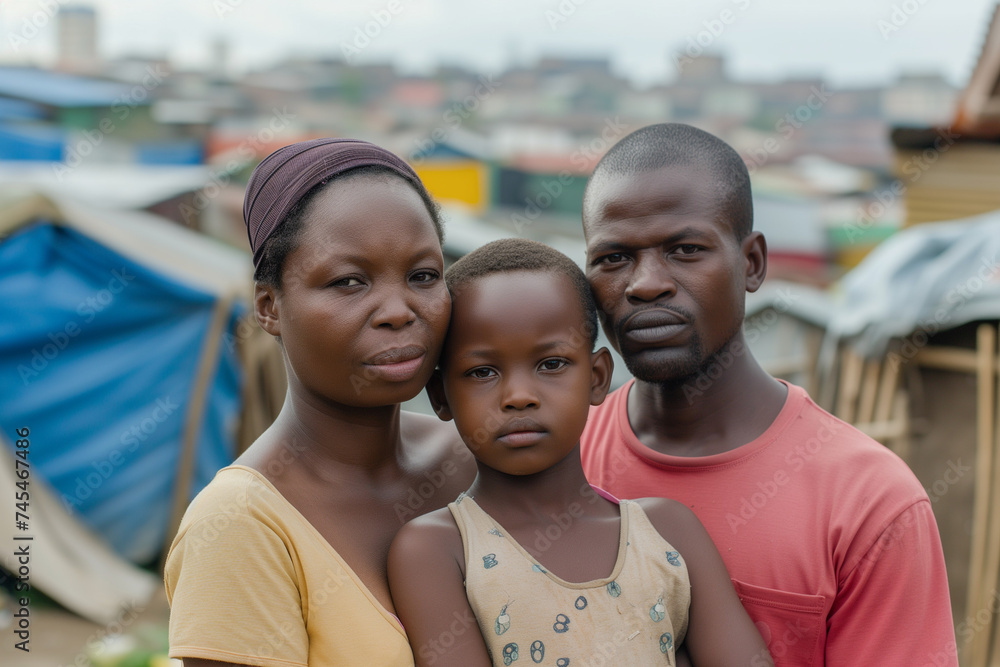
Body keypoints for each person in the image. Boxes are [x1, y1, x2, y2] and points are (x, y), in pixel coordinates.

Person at [579, 123, 958, 666]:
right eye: (613, 258)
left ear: (751, 263)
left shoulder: (868, 503)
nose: (645, 283)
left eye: (685, 249)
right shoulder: (561, 462)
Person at [387, 238, 772, 667]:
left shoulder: (667, 533)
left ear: (597, 378)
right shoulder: (439, 551)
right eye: (483, 371)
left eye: (551, 364)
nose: (518, 397)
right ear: (441, 396)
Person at [163, 138, 475, 666]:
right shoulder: (243, 525)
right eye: (349, 281)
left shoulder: (472, 460)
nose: (398, 310)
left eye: (423, 276)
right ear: (269, 307)